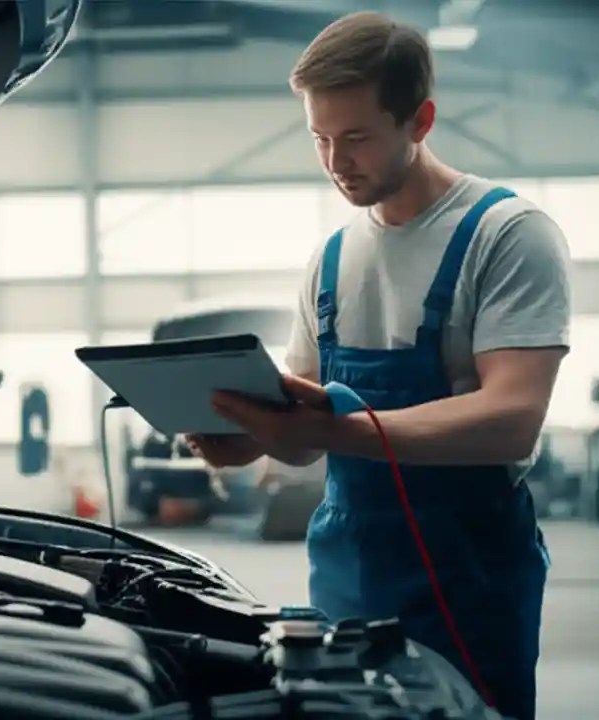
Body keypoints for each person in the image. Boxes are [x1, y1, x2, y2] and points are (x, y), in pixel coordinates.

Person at [185, 11, 570, 720]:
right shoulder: (329, 260)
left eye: (357, 137)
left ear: (419, 120)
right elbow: (301, 436)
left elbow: (512, 419)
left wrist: (333, 433)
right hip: (346, 567)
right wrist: (243, 440)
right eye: (320, 139)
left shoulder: (507, 236)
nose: (336, 162)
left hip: (470, 576)